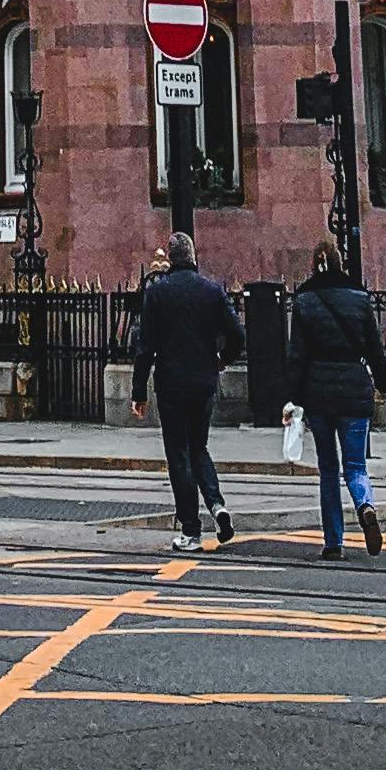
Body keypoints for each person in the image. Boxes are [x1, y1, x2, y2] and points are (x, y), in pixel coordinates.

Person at [127, 229, 242, 550]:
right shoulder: (212, 291)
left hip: (172, 384)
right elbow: (238, 335)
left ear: (170, 259)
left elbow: (144, 347)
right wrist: (222, 359)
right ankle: (217, 505)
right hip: (204, 382)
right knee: (199, 447)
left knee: (179, 454)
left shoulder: (159, 294)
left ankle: (191, 529)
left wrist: (139, 392)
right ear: (193, 256)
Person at [287, 236, 386, 557]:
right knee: (356, 466)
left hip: (318, 394)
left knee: (328, 470)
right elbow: (374, 347)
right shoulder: (358, 299)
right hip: (354, 390)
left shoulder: (304, 301)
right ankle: (365, 506)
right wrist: (382, 385)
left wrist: (292, 399)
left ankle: (334, 543)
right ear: (338, 262)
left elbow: (297, 356)